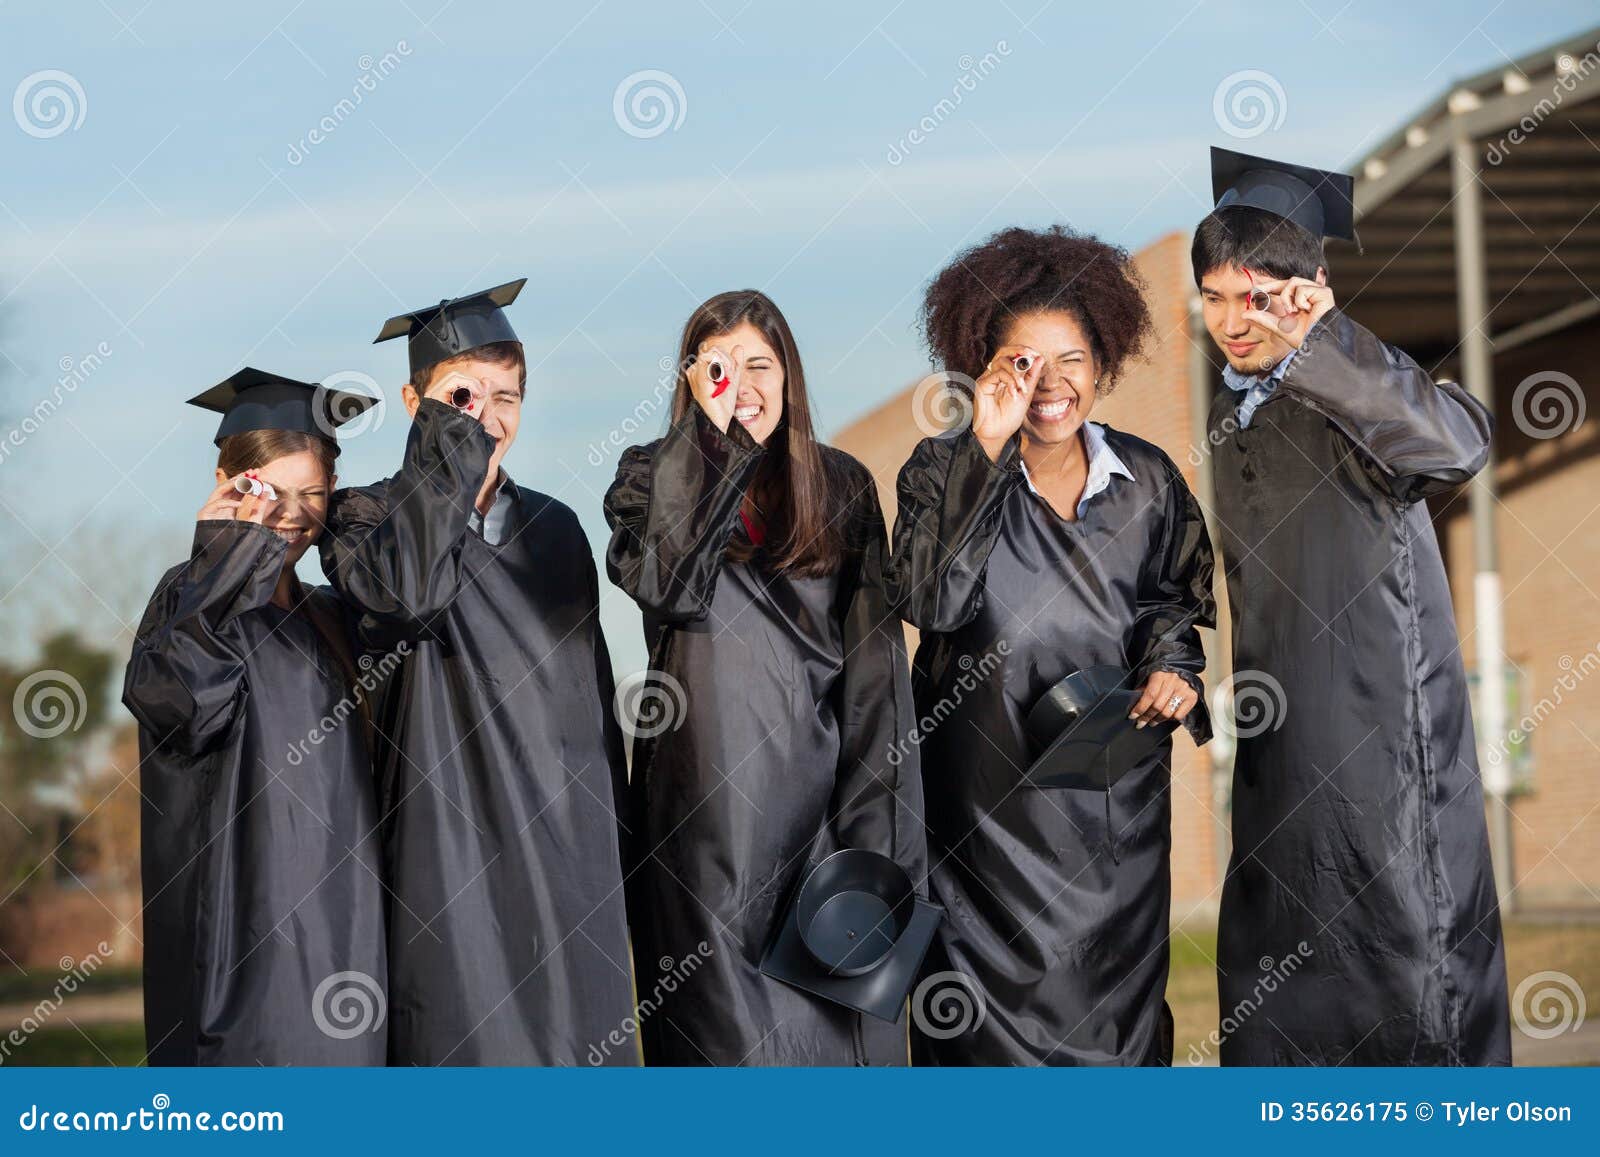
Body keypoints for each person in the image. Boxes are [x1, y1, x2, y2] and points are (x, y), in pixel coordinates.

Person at [1194, 146, 1510, 1065]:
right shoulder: (1232, 409)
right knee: (1276, 1002)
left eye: (1255, 296)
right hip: (1282, 757)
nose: (1232, 320)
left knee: (1414, 989)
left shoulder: (1358, 384)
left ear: (1310, 287)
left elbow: (1456, 446)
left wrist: (1323, 343)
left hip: (1387, 746)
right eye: (1214, 296)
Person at [887, 226, 1215, 1065]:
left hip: (1112, 817)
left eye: (1071, 358)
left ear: (1102, 361)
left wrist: (1173, 667)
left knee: (1121, 1039)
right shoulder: (941, 470)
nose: (1050, 383)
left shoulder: (1148, 482)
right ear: (983, 368)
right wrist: (987, 450)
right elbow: (932, 598)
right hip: (986, 826)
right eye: (1021, 362)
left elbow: (1169, 603)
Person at [603, 289, 926, 1065]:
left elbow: (875, 674)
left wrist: (875, 840)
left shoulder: (842, 487)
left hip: (815, 819)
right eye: (717, 369)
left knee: (828, 1059)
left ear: (789, 377)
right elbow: (669, 583)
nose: (741, 384)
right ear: (688, 384)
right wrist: (707, 446)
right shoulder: (649, 479)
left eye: (758, 364)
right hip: (698, 829)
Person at [320, 280, 635, 1065]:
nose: (486, 416)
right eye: (461, 394)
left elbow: (588, 700)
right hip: (446, 854)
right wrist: (448, 462)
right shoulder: (363, 519)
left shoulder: (557, 530)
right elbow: (407, 600)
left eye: (506, 395)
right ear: (411, 398)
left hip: (565, 850)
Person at [125, 369, 386, 1066]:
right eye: (272, 491)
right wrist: (221, 563)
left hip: (350, 938)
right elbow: (182, 708)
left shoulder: (332, 619)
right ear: (227, 481)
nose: (295, 515)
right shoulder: (187, 604)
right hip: (244, 959)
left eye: (314, 494)